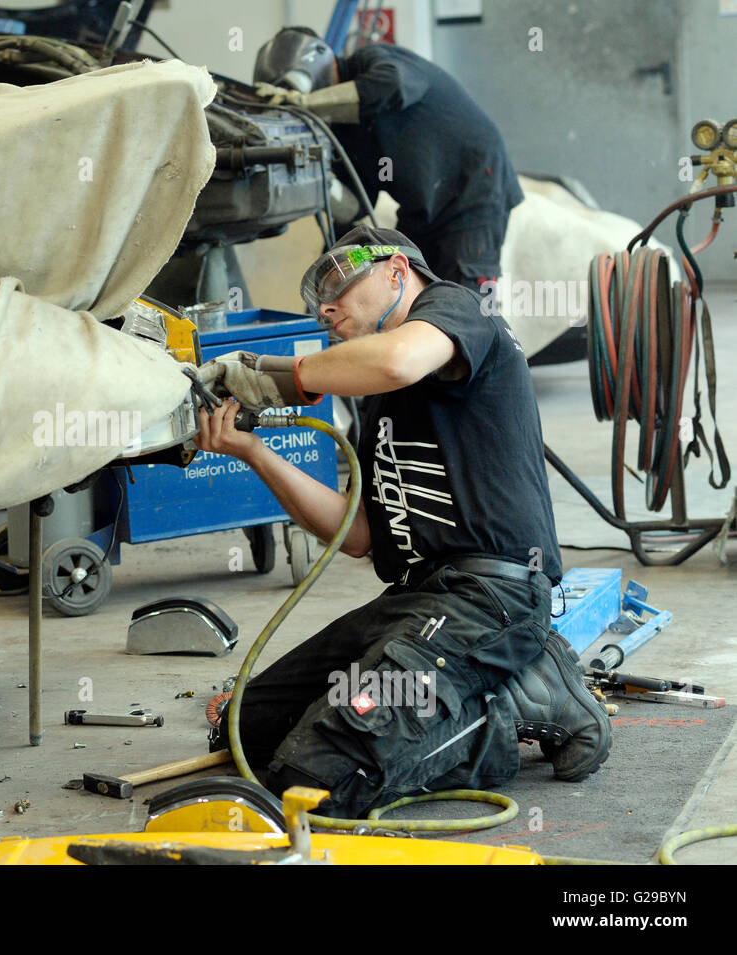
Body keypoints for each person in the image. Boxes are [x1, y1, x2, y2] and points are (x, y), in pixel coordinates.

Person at [195, 225, 610, 819]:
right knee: (247, 733)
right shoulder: (378, 399)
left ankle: (516, 707)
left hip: (491, 597)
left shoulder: (454, 308)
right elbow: (358, 534)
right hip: (415, 600)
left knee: (316, 781)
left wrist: (281, 374)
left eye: (340, 283)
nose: (325, 306)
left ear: (396, 271)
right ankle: (494, 684)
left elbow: (396, 359)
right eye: (320, 296)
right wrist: (253, 452)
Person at [254, 28, 523, 292]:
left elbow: (393, 84)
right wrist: (319, 184)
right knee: (403, 287)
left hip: (474, 192)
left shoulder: (370, 61)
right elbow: (358, 205)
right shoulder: (338, 131)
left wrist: (307, 103)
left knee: (462, 303)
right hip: (421, 211)